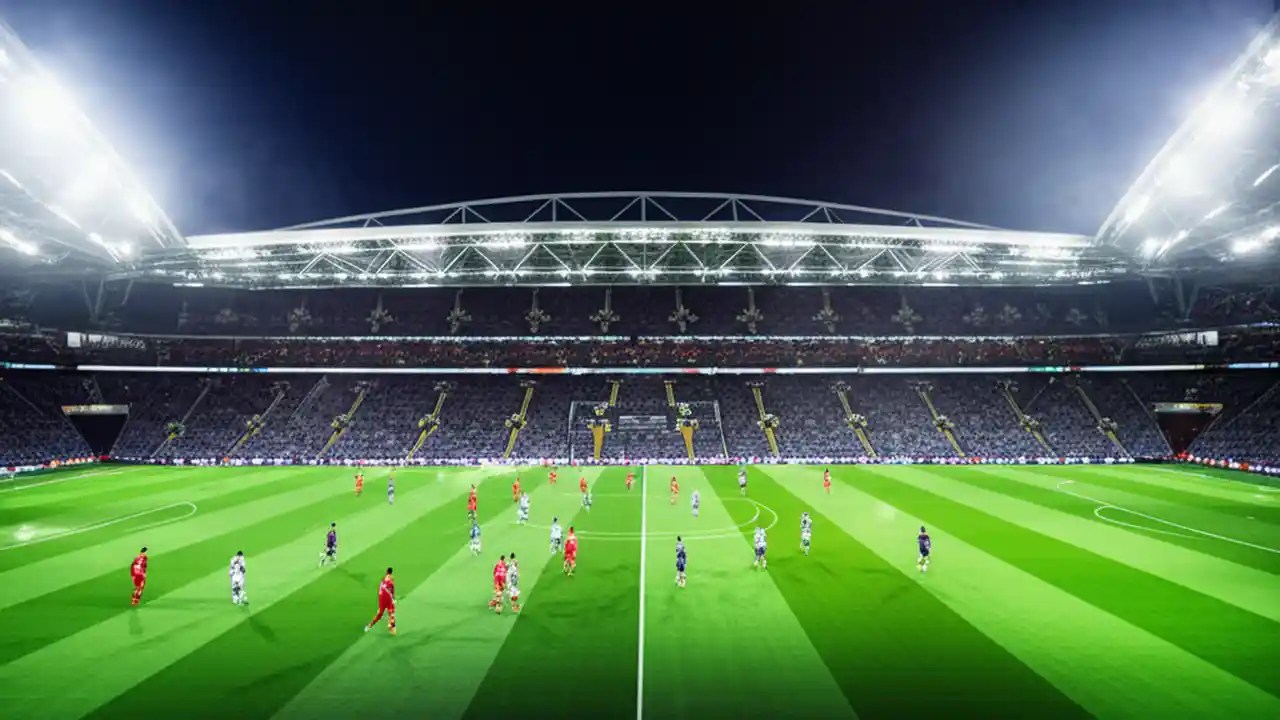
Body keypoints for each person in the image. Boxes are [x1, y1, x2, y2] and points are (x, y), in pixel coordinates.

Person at [364, 567, 397, 635]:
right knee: (391, 613)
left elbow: (386, 590)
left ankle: (369, 626)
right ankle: (391, 626)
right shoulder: (391, 580)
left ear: (386, 572)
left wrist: (392, 597)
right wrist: (393, 598)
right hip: (386, 598)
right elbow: (392, 589)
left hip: (383, 598)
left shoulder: (383, 580)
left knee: (381, 614)